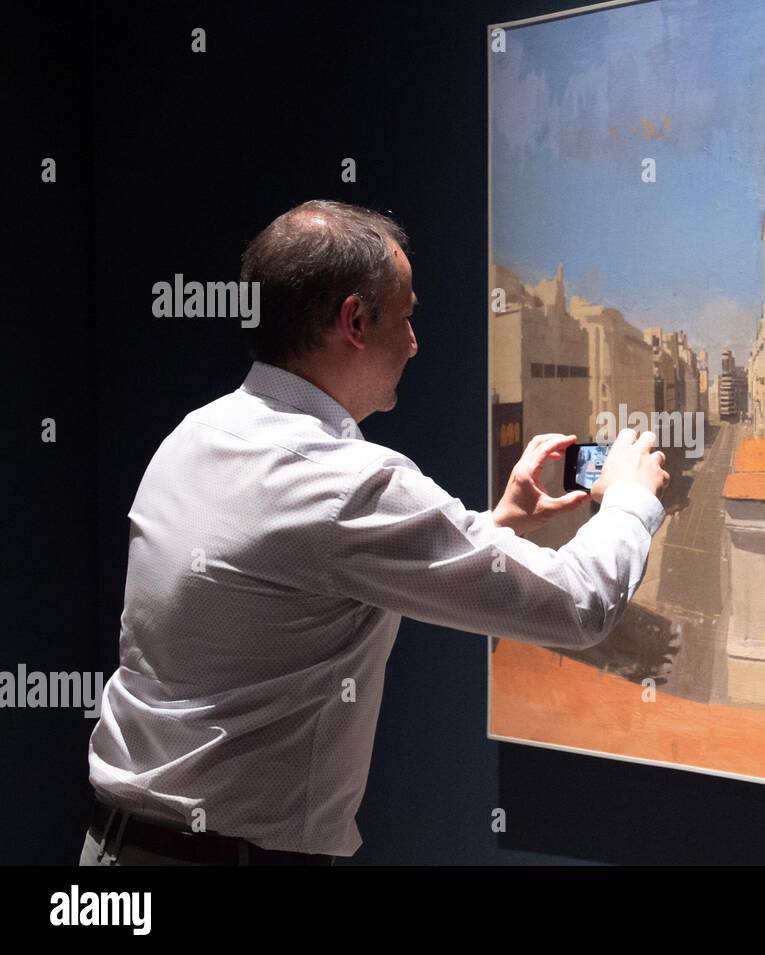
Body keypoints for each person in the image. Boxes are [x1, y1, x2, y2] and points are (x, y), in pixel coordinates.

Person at [79, 200, 669, 865]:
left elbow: (307, 570)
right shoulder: (344, 484)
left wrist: (494, 523)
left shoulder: (193, 435)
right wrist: (627, 498)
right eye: (407, 314)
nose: (415, 341)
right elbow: (579, 601)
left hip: (112, 853)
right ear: (355, 321)